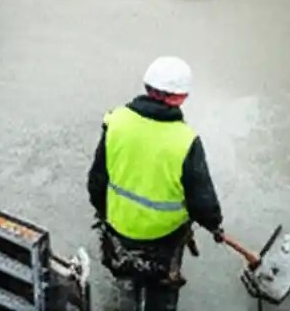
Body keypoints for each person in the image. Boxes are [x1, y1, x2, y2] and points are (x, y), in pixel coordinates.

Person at [87, 56, 224, 311]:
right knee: (161, 294)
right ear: (181, 97)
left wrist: (106, 213)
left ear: (147, 87)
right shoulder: (185, 141)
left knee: (125, 283)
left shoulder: (116, 121)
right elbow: (202, 201)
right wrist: (214, 224)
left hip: (119, 230)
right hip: (164, 240)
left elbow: (96, 182)